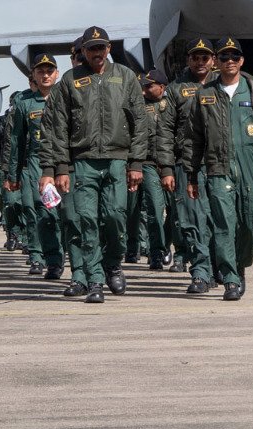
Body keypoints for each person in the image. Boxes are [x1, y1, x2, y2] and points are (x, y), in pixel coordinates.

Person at [38, 26, 151, 304]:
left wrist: (136, 162)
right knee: (86, 221)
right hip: (83, 162)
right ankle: (95, 281)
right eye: (92, 49)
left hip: (117, 161)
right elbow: (57, 127)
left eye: (101, 48)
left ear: (109, 49)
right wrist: (60, 168)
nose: (97, 53)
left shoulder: (125, 77)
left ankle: (113, 262)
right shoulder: (70, 80)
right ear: (83, 51)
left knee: (115, 217)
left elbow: (140, 123)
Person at [181, 36, 253, 301]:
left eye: (233, 57)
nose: (229, 62)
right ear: (217, 61)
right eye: (223, 57)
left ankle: (240, 265)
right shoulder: (205, 96)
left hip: (249, 165)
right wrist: (192, 174)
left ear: (241, 61)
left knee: (248, 223)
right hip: (217, 167)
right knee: (224, 224)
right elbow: (193, 138)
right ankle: (230, 279)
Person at [162, 37, 218, 294]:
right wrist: (166, 168)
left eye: (204, 57)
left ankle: (222, 269)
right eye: (195, 57)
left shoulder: (224, 86)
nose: (200, 61)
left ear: (212, 60)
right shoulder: (175, 89)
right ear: (188, 60)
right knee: (191, 219)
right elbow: (164, 130)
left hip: (219, 164)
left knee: (221, 220)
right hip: (187, 165)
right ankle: (200, 272)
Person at [7, 53, 65, 279]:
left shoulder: (65, 97)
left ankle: (65, 254)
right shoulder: (25, 103)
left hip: (63, 160)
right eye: (40, 71)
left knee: (65, 214)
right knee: (40, 211)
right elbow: (17, 141)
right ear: (33, 75)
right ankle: (44, 258)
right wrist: (14, 173)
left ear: (56, 74)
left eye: (49, 71)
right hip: (36, 161)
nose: (45, 75)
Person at [130, 66, 174, 271]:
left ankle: (167, 246)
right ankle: (155, 253)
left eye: (149, 86)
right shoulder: (139, 107)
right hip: (149, 164)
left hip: (172, 165)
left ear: (162, 87)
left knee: (176, 212)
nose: (145, 90)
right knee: (155, 210)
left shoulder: (173, 104)